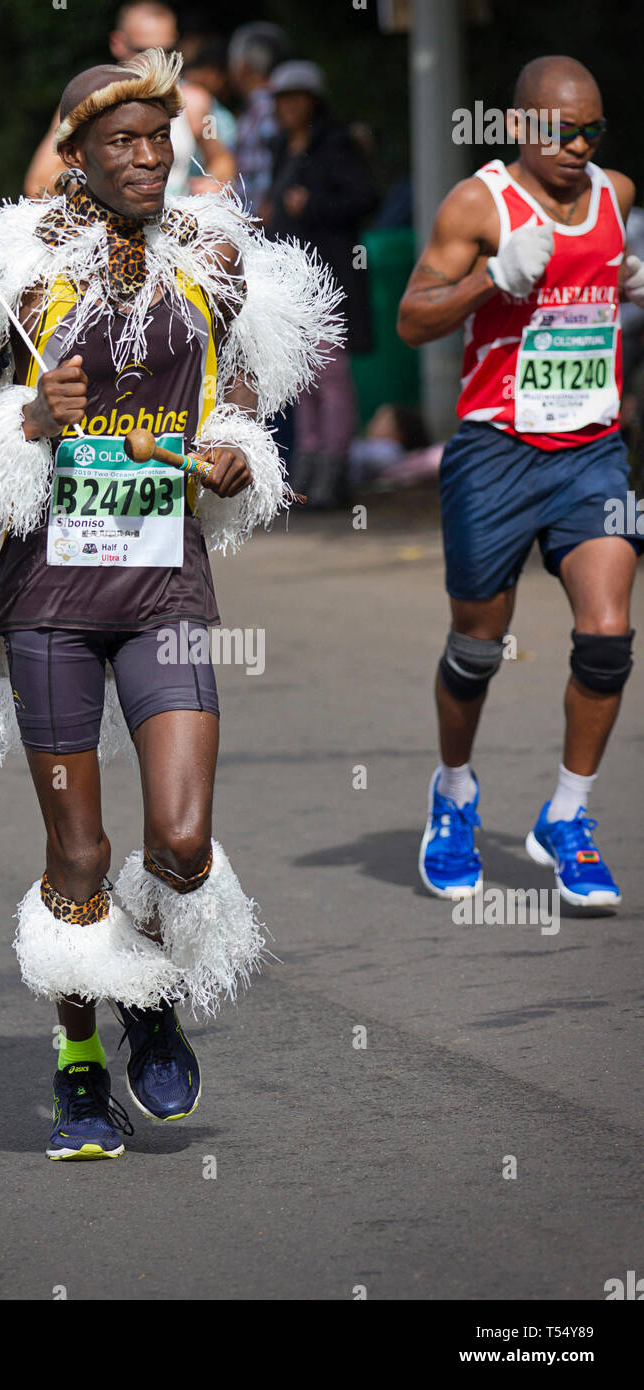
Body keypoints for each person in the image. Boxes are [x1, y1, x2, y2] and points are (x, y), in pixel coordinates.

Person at [0, 47, 343, 1159]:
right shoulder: (12, 266)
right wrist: (27, 424)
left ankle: (147, 995)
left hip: (166, 586)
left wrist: (237, 444)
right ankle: (83, 1062)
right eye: (123, 143)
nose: (149, 158)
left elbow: (242, 379)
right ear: (77, 156)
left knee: (182, 841)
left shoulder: (216, 254)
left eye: (160, 138)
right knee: (82, 858)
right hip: (49, 594)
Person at [398, 56, 643, 908]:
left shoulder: (615, 193)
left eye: (591, 131)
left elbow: (598, 283)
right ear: (517, 127)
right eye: (559, 130)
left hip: (593, 448)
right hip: (496, 448)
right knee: (477, 647)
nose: (577, 146)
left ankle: (568, 816)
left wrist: (624, 286)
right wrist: (489, 279)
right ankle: (455, 793)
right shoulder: (480, 204)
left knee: (608, 635)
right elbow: (411, 317)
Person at [263, 60, 378, 507]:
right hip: (292, 276)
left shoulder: (336, 143)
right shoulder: (282, 147)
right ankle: (308, 469)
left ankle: (333, 470)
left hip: (330, 274)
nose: (286, 108)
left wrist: (313, 204)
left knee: (330, 374)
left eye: (293, 99)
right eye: (280, 100)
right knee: (303, 377)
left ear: (311, 102)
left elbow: (364, 198)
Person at [23, 1, 234, 199]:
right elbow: (38, 185)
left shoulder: (194, 102)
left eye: (166, 51)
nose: (155, 61)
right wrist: (103, 195)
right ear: (118, 43)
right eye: (143, 51)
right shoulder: (87, 102)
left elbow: (221, 159)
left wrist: (215, 183)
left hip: (173, 231)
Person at [227, 21, 289, 216]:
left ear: (243, 67)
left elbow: (270, 166)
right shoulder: (261, 107)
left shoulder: (266, 108)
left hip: (261, 224)